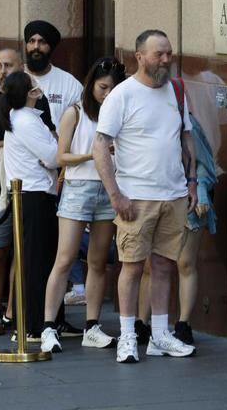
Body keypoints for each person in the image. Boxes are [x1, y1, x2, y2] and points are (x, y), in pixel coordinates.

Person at [93, 29, 198, 363]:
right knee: (132, 267)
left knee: (165, 266)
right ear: (139, 57)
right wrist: (115, 195)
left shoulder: (177, 90)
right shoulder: (122, 95)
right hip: (136, 197)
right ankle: (127, 336)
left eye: (169, 53)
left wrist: (192, 182)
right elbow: (99, 147)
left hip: (174, 194)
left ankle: (160, 335)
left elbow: (186, 139)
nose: (166, 60)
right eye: (159, 54)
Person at [40, 57, 126, 354]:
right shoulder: (74, 113)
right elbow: (60, 157)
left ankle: (92, 325)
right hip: (79, 187)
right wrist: (94, 155)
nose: (106, 94)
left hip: (109, 188)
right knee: (64, 259)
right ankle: (49, 326)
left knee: (98, 261)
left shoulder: (117, 115)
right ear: (91, 84)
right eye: (102, 87)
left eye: (112, 89)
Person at [0, 49, 55, 329]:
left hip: (25, 186)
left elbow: (51, 134)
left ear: (21, 68)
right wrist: (14, 144)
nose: (3, 69)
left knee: (23, 253)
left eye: (9, 65)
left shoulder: (33, 106)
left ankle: (14, 310)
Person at [137, 108, 219, 345]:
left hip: (187, 199)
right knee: (148, 266)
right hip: (149, 197)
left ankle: (183, 324)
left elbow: (203, 162)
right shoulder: (138, 116)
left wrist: (201, 192)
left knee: (185, 263)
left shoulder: (186, 121)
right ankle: (142, 323)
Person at [0, 70, 60, 340]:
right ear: (27, 92)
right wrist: (56, 150)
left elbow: (53, 153)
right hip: (33, 195)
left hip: (39, 193)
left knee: (43, 260)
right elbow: (53, 155)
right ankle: (31, 325)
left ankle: (47, 321)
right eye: (33, 85)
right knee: (34, 262)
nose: (39, 86)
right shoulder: (24, 120)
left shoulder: (27, 118)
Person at [23, 20, 83, 127]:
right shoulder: (12, 78)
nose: (36, 46)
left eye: (42, 42)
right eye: (32, 41)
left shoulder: (69, 83)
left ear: (51, 47)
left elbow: (84, 121)